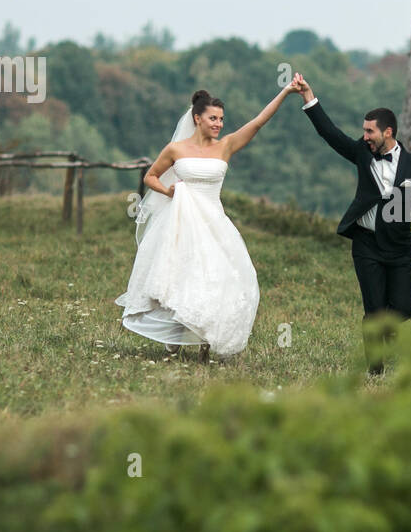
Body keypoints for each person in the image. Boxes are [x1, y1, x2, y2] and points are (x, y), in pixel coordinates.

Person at [115, 84, 296, 360]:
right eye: (213, 118)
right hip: (181, 221)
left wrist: (285, 92)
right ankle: (174, 335)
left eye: (222, 119)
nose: (219, 124)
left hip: (214, 221)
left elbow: (258, 122)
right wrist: (169, 190)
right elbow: (150, 176)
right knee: (179, 276)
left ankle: (207, 341)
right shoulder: (176, 149)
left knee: (218, 277)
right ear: (197, 118)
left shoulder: (226, 146)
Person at [289, 71, 411, 375]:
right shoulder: (361, 152)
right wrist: (308, 96)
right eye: (364, 131)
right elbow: (330, 134)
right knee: (373, 310)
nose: (365, 136)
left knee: (402, 310)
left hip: (399, 247)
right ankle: (375, 369)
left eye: (370, 131)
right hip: (366, 244)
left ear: (388, 132)